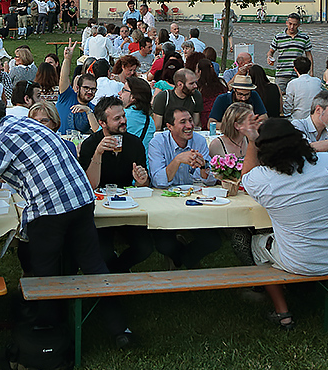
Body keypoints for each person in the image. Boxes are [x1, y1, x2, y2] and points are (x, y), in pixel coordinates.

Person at [0, 97, 133, 349]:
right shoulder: (26, 124)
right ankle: (120, 328)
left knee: (44, 274)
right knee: (94, 265)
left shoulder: (0, 139)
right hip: (81, 199)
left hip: (50, 209)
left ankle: (48, 335)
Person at [241, 118, 328, 329]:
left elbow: (246, 176)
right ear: (299, 138)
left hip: (299, 261)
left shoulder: (263, 178)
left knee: (257, 243)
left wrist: (252, 142)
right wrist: (326, 200)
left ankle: (283, 313)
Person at [78, 98, 153, 273]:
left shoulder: (134, 143)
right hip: (100, 208)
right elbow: (89, 185)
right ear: (102, 123)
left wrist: (142, 180)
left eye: (123, 116)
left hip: (127, 206)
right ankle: (117, 276)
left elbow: (143, 185)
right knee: (103, 251)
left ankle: (118, 272)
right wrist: (98, 153)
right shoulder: (90, 145)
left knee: (145, 247)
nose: (123, 121)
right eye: (117, 118)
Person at [146, 107, 222, 268]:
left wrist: (204, 167)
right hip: (164, 204)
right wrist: (178, 160)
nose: (189, 125)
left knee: (213, 241)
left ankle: (184, 259)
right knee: (164, 245)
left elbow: (209, 181)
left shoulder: (199, 141)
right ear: (169, 126)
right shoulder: (157, 143)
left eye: (190, 120)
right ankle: (187, 261)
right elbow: (158, 181)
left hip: (193, 202)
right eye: (183, 122)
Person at [56, 41, 98, 134]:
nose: (90, 92)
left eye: (93, 89)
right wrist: (67, 59)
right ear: (78, 88)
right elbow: (64, 77)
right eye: (86, 88)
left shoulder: (93, 109)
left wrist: (88, 111)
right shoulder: (67, 96)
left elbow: (98, 131)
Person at [267, 13, 312, 93]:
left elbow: (309, 55)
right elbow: (271, 51)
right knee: (279, 95)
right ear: (286, 23)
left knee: (297, 96)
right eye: (290, 24)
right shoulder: (279, 37)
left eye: (295, 25)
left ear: (299, 25)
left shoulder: (304, 37)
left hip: (297, 74)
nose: (292, 27)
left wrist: (311, 72)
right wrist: (269, 57)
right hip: (281, 73)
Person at [187, 51, 226, 126]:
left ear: (200, 72)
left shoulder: (198, 87)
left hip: (204, 121)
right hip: (220, 119)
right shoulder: (221, 83)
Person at [122, 77, 157, 149]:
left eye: (123, 90)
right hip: (142, 155)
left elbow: (100, 135)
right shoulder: (150, 121)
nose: (119, 93)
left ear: (133, 97)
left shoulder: (120, 116)